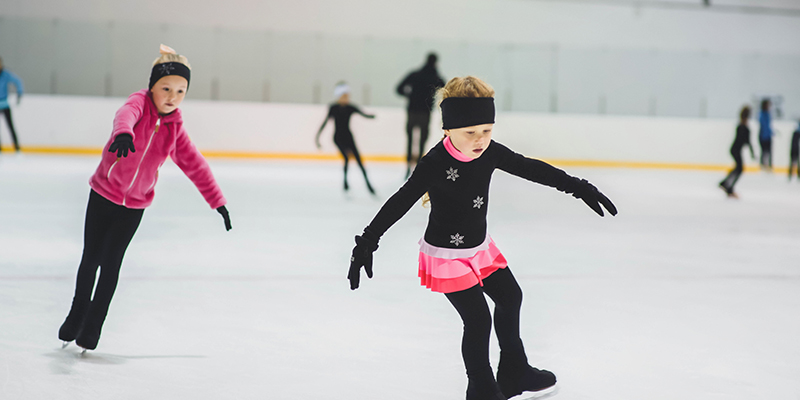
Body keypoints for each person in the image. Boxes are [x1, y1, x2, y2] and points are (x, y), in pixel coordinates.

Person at [347, 76, 617, 400]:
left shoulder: (490, 152)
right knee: (478, 320)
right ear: (448, 130)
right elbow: (401, 200)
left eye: (487, 131)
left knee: (510, 297)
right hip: (446, 256)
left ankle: (515, 371)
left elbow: (530, 168)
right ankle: (481, 389)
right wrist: (367, 240)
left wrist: (577, 186)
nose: (480, 139)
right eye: (470, 133)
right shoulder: (434, 163)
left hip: (479, 249)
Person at [58, 44, 232, 351]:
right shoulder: (138, 103)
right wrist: (123, 133)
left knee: (112, 264)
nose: (172, 97)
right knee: (92, 258)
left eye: (180, 91)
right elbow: (125, 115)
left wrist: (217, 201)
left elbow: (195, 164)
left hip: (134, 205)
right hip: (103, 194)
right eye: (166, 88)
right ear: (152, 86)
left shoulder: (174, 127)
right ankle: (76, 315)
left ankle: (93, 327)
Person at [315, 82, 377, 194]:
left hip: (348, 137)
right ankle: (345, 183)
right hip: (338, 138)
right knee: (347, 158)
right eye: (344, 96)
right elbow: (324, 123)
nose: (346, 98)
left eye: (348, 96)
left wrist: (371, 116)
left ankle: (368, 185)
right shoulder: (333, 108)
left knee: (359, 160)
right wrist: (317, 138)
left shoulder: (350, 108)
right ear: (339, 96)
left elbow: (364, 114)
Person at [397, 53, 445, 178]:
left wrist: (410, 96)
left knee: (410, 139)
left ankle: (408, 166)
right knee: (422, 141)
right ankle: (418, 166)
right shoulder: (436, 77)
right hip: (425, 111)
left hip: (412, 110)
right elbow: (445, 91)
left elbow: (399, 89)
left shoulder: (415, 74)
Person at [719, 106, 755, 198]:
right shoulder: (744, 128)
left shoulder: (740, 126)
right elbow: (747, 142)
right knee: (740, 169)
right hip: (736, 150)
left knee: (738, 168)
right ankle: (728, 187)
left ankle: (726, 184)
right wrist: (752, 152)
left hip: (734, 149)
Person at [0, 56, 24, 152]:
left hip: (5, 104)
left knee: (10, 125)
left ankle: (16, 146)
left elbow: (18, 81)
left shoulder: (6, 74)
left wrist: (19, 93)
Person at [758, 99, 774, 170]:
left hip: (768, 135)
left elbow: (768, 125)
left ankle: (769, 165)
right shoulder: (762, 114)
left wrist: (771, 132)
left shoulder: (768, 114)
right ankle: (763, 164)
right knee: (764, 151)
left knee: (769, 151)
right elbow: (763, 125)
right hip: (763, 136)